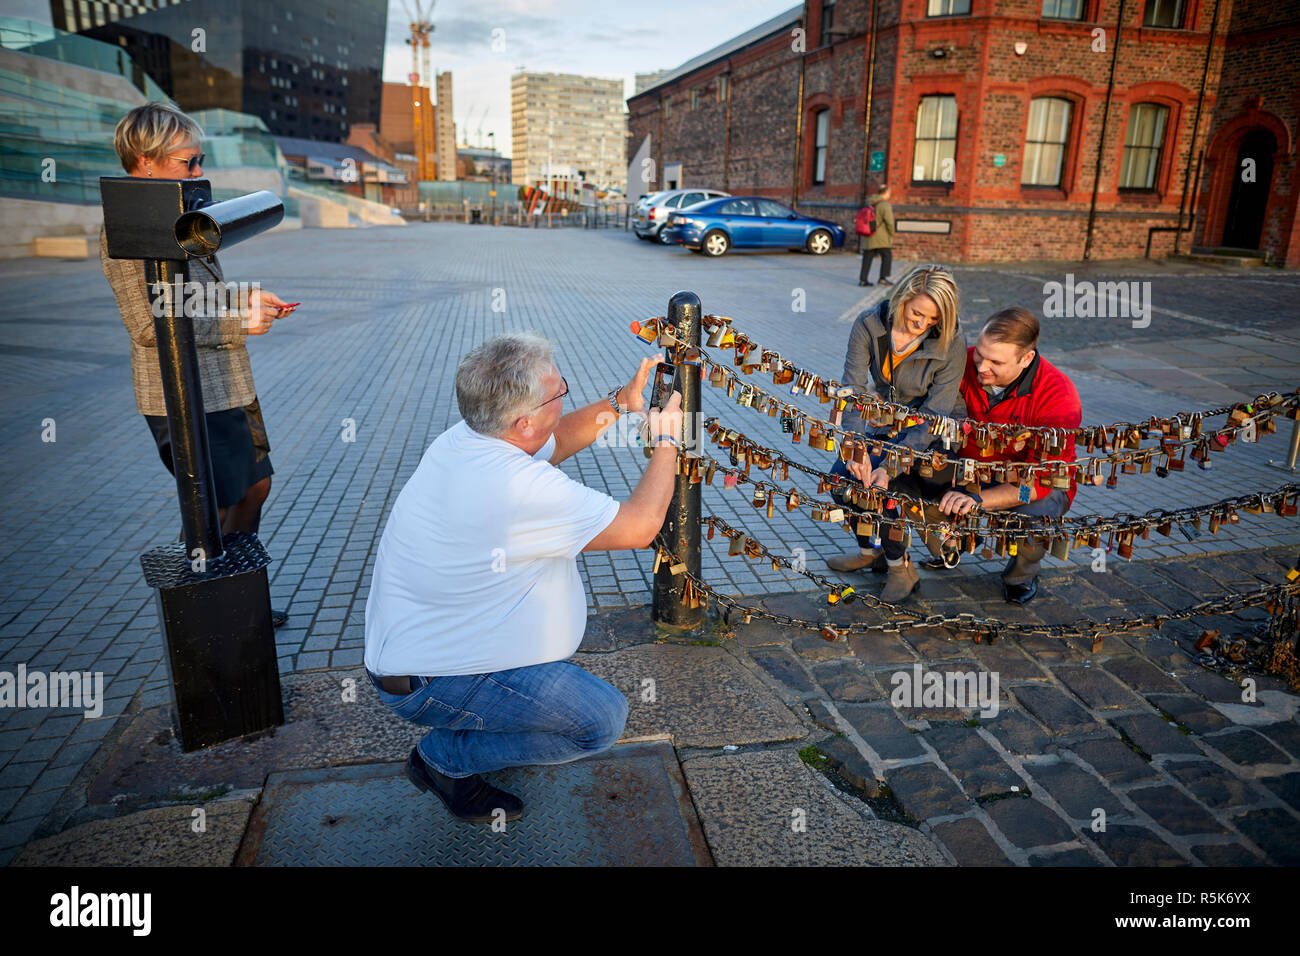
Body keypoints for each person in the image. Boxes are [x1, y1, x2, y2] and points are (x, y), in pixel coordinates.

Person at [364, 334, 683, 824]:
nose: (566, 396)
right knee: (598, 721)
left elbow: (554, 442)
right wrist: (668, 440)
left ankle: (475, 733)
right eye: (560, 392)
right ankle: (443, 759)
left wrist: (621, 403)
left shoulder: (466, 440)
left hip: (416, 660)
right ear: (523, 421)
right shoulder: (518, 488)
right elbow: (641, 526)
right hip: (431, 683)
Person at [100, 102, 293, 625]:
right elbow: (149, 323)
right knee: (209, 505)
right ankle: (215, 612)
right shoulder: (125, 231)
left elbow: (195, 296)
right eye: (187, 162)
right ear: (145, 161)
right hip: (182, 393)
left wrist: (250, 299)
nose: (197, 171)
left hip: (225, 383)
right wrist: (239, 321)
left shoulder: (180, 214)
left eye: (199, 159)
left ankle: (236, 595)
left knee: (252, 487)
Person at [871, 308, 1082, 605]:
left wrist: (980, 500)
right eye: (980, 355)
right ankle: (949, 545)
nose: (982, 367)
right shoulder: (963, 362)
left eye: (996, 362)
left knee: (1036, 517)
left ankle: (1020, 576)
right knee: (909, 485)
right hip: (966, 470)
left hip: (1030, 484)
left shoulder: (1059, 397)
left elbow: (1041, 482)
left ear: (1026, 359)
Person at [827, 265, 967, 597]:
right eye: (917, 313)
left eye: (933, 319)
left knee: (889, 490)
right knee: (842, 481)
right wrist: (856, 447)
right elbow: (853, 390)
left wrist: (888, 467)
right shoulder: (869, 324)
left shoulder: (952, 341)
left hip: (934, 433)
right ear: (901, 297)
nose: (922, 324)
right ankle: (870, 552)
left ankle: (901, 569)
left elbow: (935, 413)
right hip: (887, 422)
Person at [858, 184, 895, 287]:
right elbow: (890, 222)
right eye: (889, 193)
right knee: (887, 256)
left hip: (868, 234)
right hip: (881, 237)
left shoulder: (869, 202)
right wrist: (892, 233)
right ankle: (883, 278)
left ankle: (863, 280)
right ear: (886, 193)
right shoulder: (885, 205)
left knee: (867, 257)